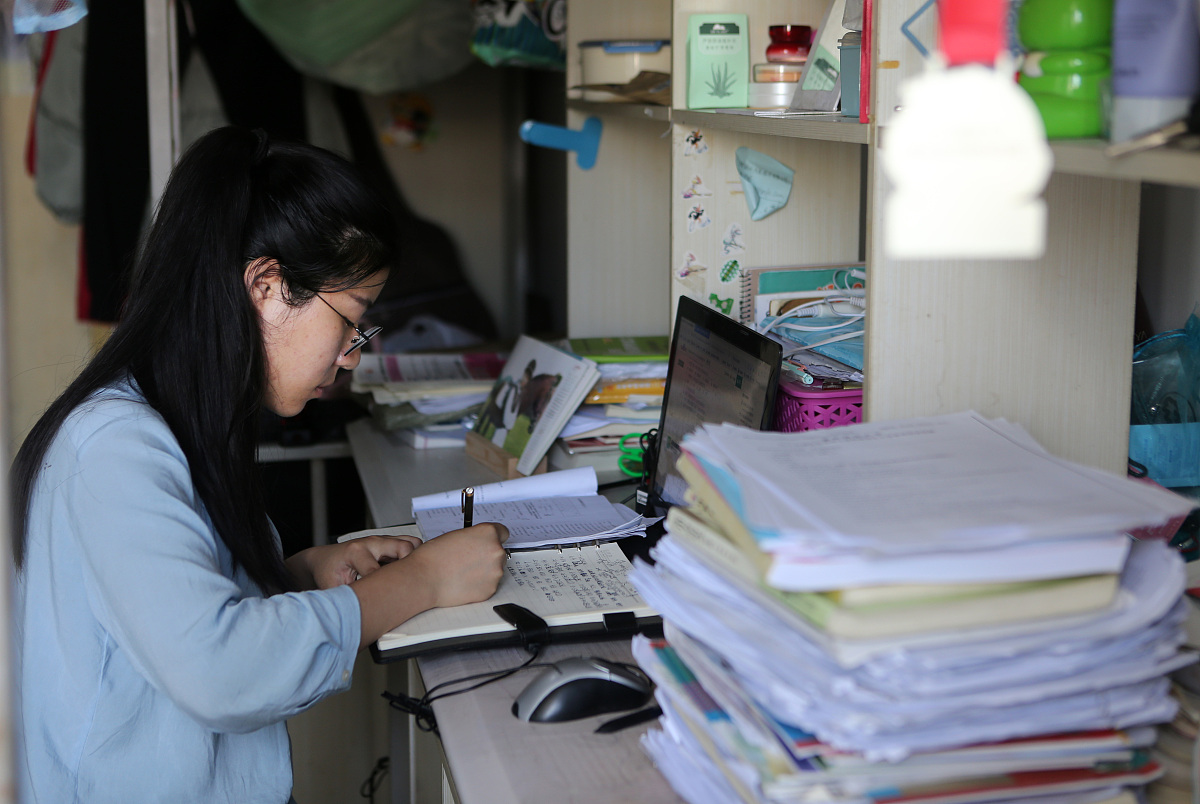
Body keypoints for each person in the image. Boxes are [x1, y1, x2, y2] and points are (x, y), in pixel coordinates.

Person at [9, 126, 509, 804]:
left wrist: (296, 575)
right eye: (351, 320)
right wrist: (422, 582)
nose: (352, 355)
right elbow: (221, 671)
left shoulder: (177, 418)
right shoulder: (115, 447)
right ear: (267, 288)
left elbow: (170, 608)